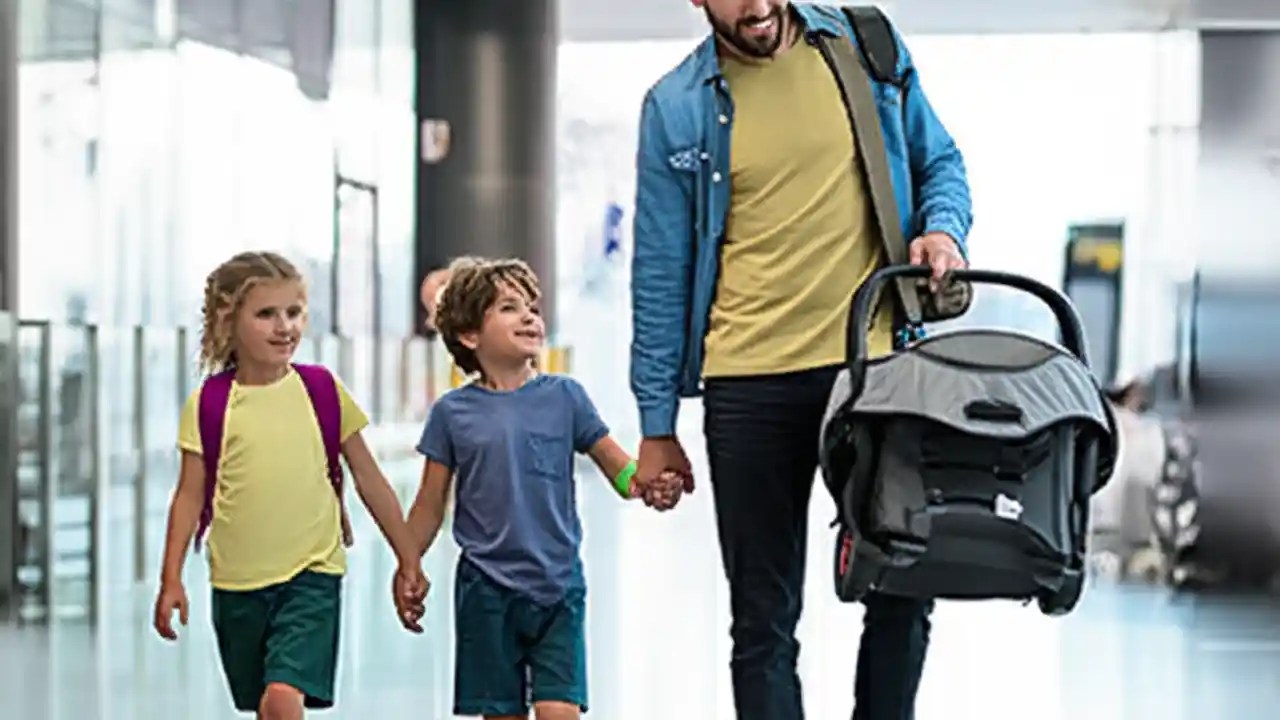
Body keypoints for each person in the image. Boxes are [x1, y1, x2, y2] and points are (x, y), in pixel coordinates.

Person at [629, 2, 974, 719]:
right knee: (763, 620)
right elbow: (660, 270)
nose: (757, 7)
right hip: (747, 383)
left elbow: (939, 160)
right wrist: (656, 424)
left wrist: (942, 231)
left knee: (905, 586)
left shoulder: (864, 45)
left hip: (875, 370)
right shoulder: (675, 108)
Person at [152, 251, 428, 720]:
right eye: (266, 314)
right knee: (265, 705)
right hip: (237, 583)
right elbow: (189, 495)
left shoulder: (321, 390)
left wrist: (408, 557)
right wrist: (171, 578)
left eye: (294, 312)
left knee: (283, 698)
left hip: (312, 574)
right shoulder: (210, 403)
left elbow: (369, 477)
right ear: (228, 321)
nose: (285, 327)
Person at [402, 256, 681, 720]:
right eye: (509, 308)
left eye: (532, 307)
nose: (530, 316)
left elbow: (619, 471)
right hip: (486, 591)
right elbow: (430, 504)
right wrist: (408, 565)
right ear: (470, 335)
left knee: (560, 711)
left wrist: (648, 486)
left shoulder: (566, 397)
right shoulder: (451, 414)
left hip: (559, 586)